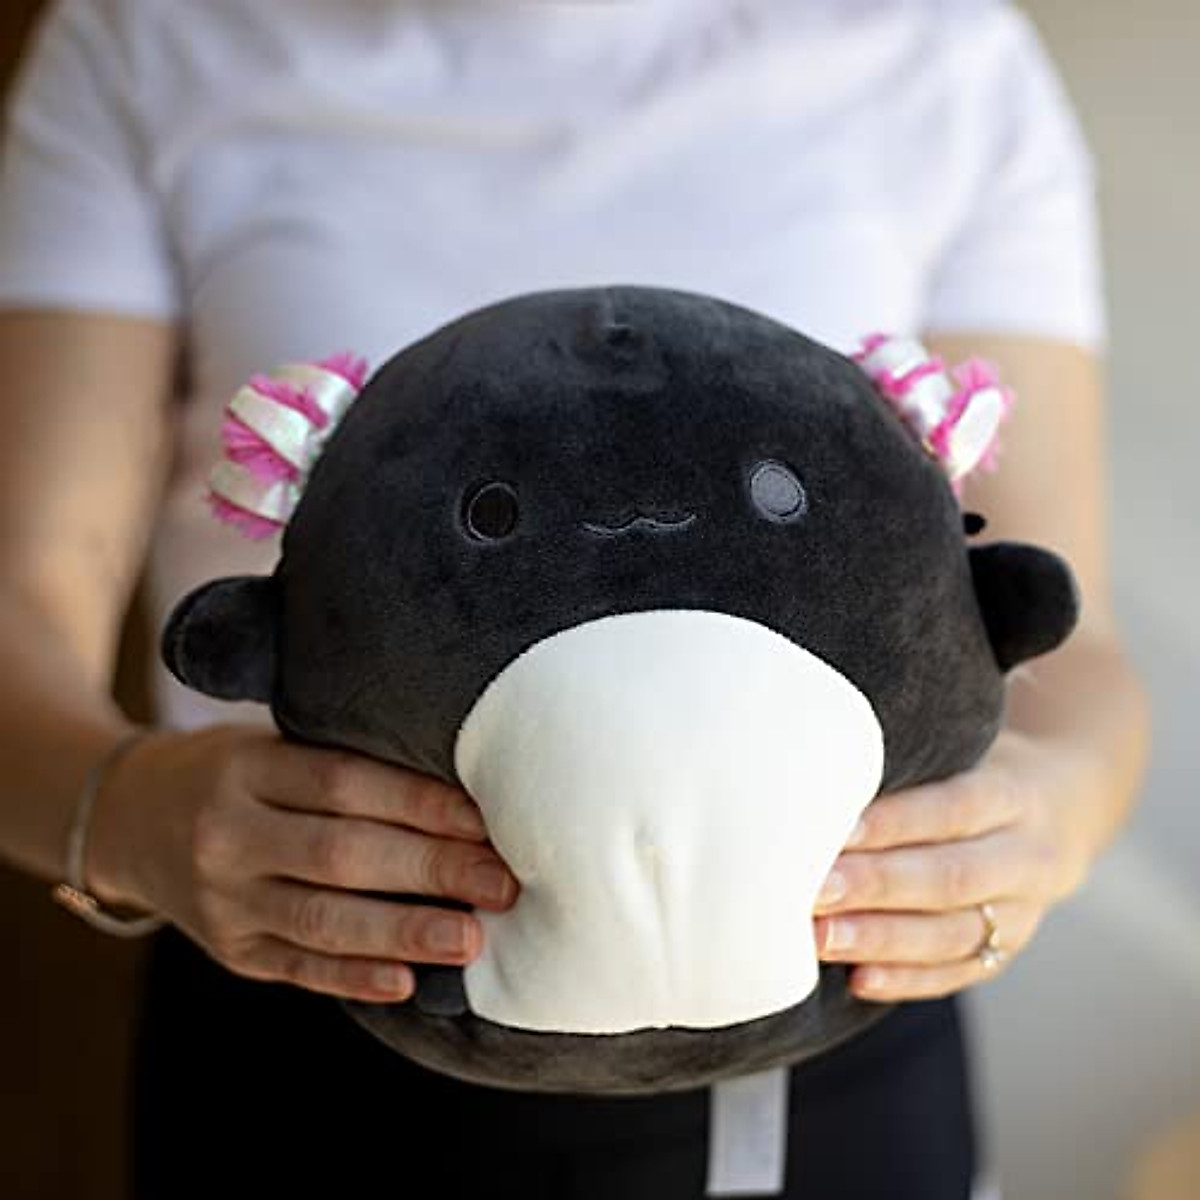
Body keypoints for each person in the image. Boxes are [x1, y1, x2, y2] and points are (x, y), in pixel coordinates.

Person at [0, 1, 1149, 1197]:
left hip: (829, 1045)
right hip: (302, 1000)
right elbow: (26, 603)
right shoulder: (150, 40)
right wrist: (127, 813)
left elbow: (1073, 653)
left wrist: (1043, 818)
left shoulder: (943, 58)